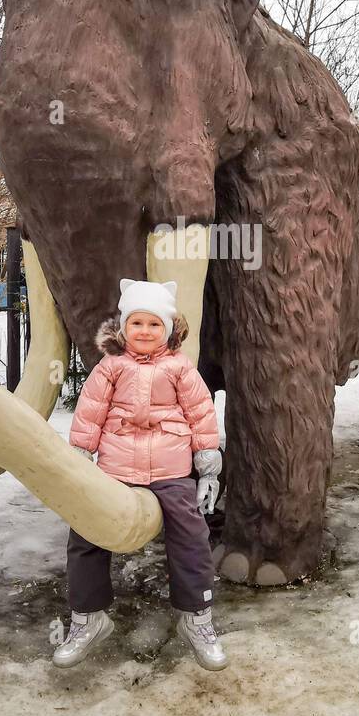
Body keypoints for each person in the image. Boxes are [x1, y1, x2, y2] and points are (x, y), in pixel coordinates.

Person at [53, 278, 226, 671]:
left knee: (192, 534)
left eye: (153, 324)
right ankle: (88, 617)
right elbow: (90, 414)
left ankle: (196, 618)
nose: (145, 332)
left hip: (171, 469)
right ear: (123, 327)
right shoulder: (110, 367)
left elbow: (201, 415)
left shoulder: (180, 368)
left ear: (167, 328)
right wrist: (80, 457)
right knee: (86, 532)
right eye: (137, 324)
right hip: (116, 467)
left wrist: (207, 463)